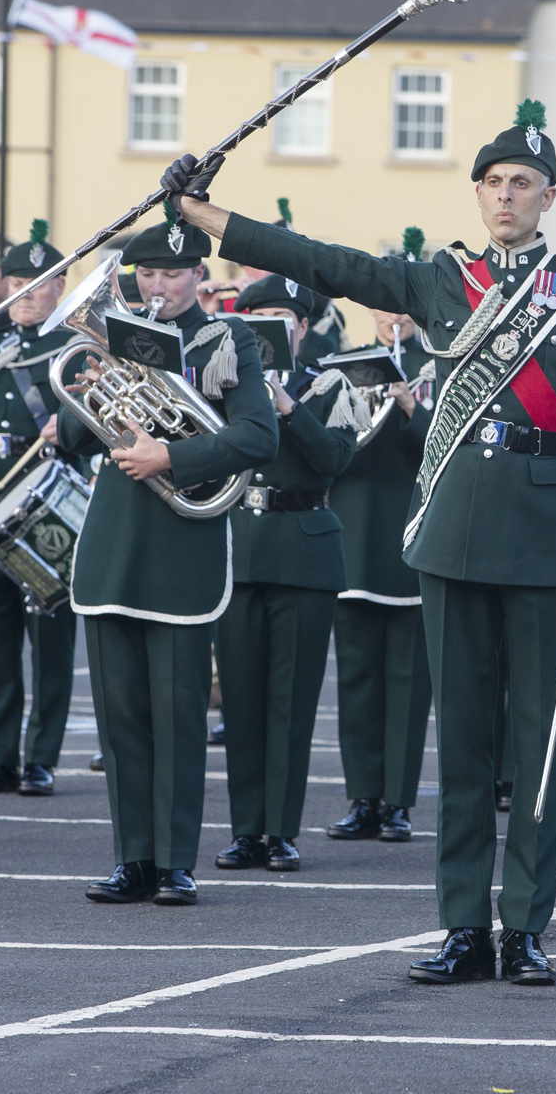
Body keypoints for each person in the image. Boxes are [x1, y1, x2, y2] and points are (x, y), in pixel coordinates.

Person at [163, 100, 556, 986]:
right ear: (477, 194)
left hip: (547, 531)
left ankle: (525, 929)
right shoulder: (444, 279)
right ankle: (463, 928)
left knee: (537, 750)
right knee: (464, 742)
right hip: (456, 528)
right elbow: (325, 262)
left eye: (523, 183)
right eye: (494, 182)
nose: (506, 195)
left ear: (549, 198)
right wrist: (203, 215)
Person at [66, 202, 279, 907]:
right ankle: (132, 858)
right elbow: (73, 438)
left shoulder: (228, 338)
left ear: (198, 276)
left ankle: (174, 862)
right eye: (147, 274)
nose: (158, 286)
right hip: (114, 541)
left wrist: (173, 456)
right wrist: (89, 390)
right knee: (121, 714)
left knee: (179, 713)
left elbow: (260, 436)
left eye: (173, 274)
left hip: (184, 543)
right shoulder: (114, 336)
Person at [214, 273, 359, 872]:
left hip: (302, 551)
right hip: (239, 550)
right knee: (241, 701)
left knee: (291, 701)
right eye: (255, 323)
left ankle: (281, 831)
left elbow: (335, 460)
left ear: (301, 327)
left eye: (281, 322)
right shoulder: (222, 383)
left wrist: (289, 408)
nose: (271, 333)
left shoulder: (328, 384)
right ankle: (246, 830)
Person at [0, 221, 79, 798]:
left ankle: (42, 758)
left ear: (60, 287)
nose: (26, 293)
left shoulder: (74, 350)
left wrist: (69, 424)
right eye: (17, 281)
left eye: (39, 282)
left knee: (49, 638)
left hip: (47, 503)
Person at [327, 236, 435, 845]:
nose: (392, 315)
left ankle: (398, 801)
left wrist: (410, 405)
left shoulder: (443, 363)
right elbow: (327, 450)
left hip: (412, 535)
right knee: (357, 677)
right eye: (382, 304)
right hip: (354, 535)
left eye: (401, 304)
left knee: (408, 681)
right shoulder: (344, 364)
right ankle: (362, 797)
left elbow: (446, 451)